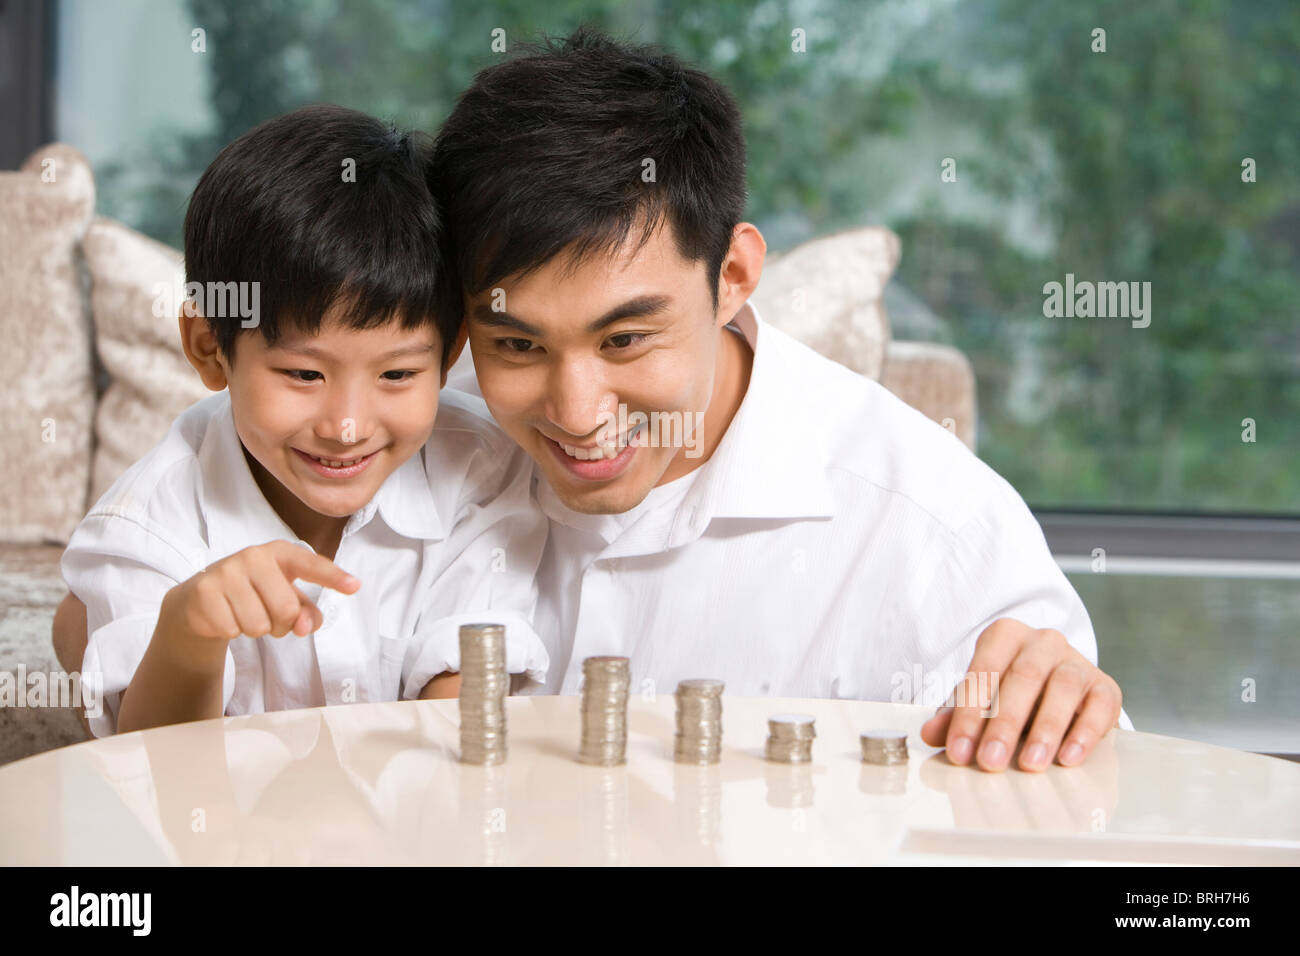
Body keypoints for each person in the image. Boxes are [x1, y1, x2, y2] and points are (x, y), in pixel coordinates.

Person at [429, 26, 1130, 773]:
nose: (575, 412)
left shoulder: (932, 530)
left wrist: (1058, 704)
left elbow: (1081, 788)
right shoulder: (411, 443)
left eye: (626, 340)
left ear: (732, 275)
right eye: (518, 346)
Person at [57, 104, 547, 738]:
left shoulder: (482, 467)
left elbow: (466, 702)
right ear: (210, 347)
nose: (346, 426)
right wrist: (187, 633)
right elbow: (153, 765)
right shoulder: (149, 526)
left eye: (397, 375)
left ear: (448, 354)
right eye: (304, 375)